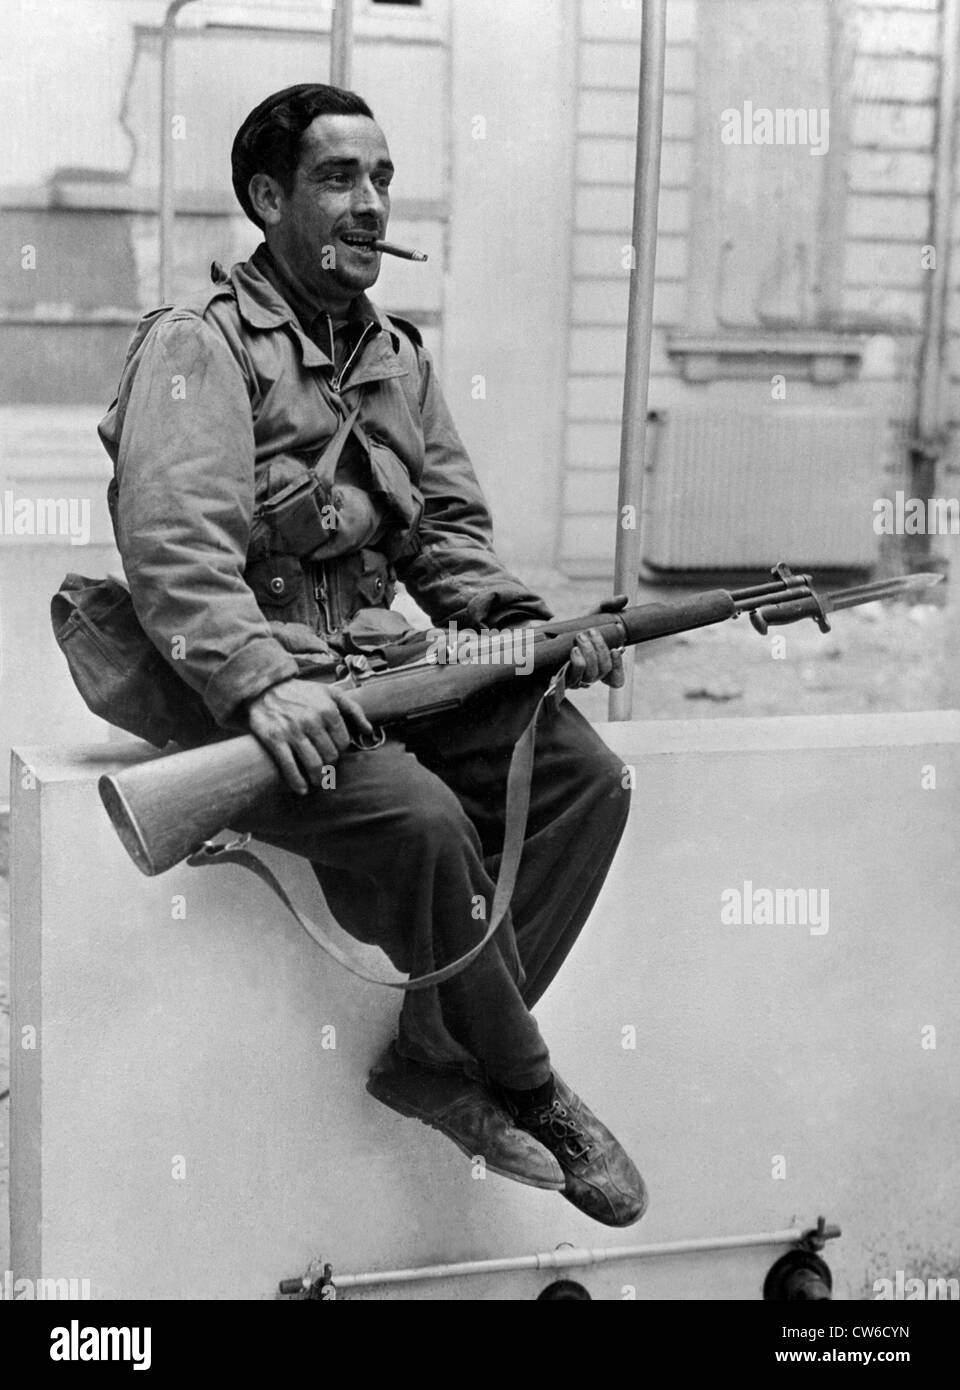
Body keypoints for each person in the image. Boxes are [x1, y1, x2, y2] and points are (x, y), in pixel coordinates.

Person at [97, 83, 647, 1228]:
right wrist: (264, 684)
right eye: (339, 179)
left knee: (587, 776)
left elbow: (450, 542)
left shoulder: (395, 357)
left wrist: (543, 635)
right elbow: (175, 560)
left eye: (382, 180)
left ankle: (440, 1055)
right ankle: (531, 1086)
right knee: (426, 822)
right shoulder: (199, 347)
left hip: (374, 680)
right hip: (243, 696)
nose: (369, 204)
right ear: (267, 198)